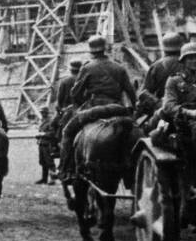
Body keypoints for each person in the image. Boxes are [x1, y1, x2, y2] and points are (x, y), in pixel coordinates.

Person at [57, 35, 139, 181]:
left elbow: (75, 93)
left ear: (91, 50)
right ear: (105, 48)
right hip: (117, 108)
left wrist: (82, 103)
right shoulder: (119, 67)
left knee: (67, 132)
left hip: (94, 108)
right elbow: (131, 91)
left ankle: (64, 169)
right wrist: (133, 110)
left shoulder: (87, 67)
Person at [142, 33, 186, 102]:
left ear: (164, 49)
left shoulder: (156, 66)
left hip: (163, 107)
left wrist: (158, 103)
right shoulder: (189, 64)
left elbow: (145, 92)